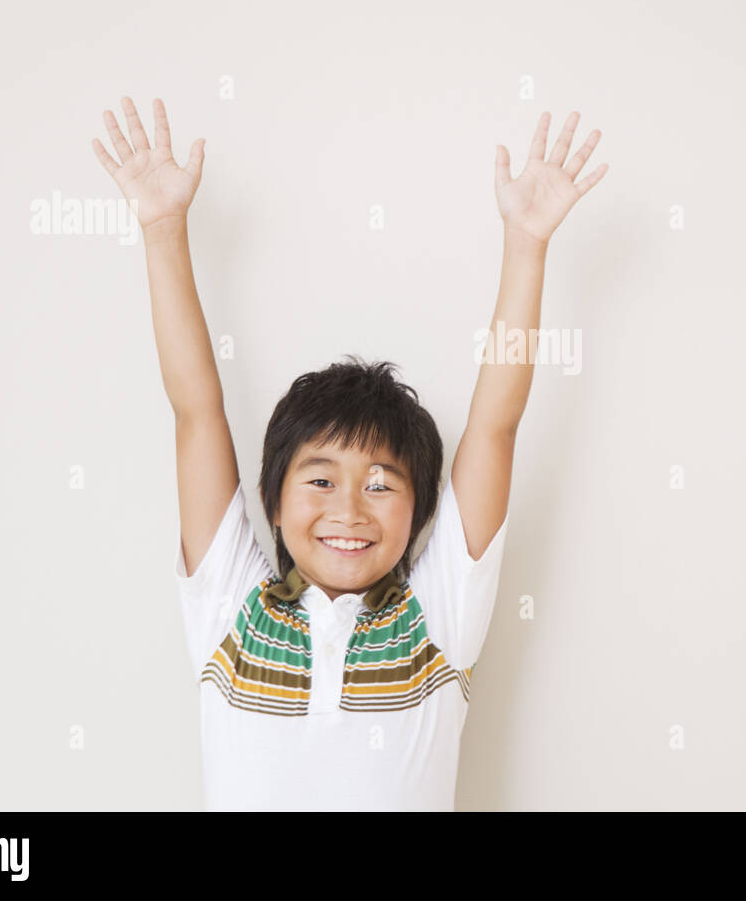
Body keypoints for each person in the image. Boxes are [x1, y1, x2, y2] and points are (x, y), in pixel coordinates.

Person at [90, 98, 608, 809]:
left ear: (421, 512)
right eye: (322, 479)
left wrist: (527, 245)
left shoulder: (439, 615)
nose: (349, 510)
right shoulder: (228, 607)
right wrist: (161, 231)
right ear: (271, 502)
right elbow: (196, 410)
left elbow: (495, 427)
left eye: (381, 485)